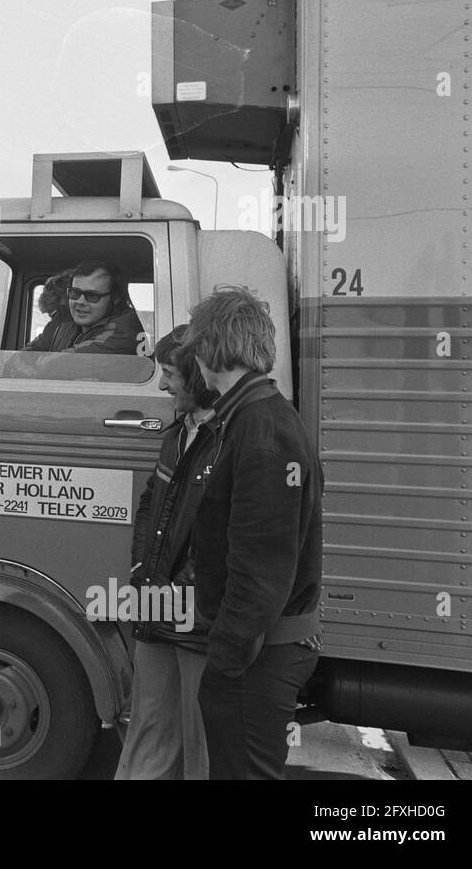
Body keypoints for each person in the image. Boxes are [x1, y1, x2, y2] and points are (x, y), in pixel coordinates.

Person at [183, 286, 323, 780]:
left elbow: (261, 567)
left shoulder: (259, 428)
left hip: (256, 654)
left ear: (208, 349)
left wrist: (226, 660)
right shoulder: (256, 416)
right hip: (261, 647)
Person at [114, 325, 217, 780]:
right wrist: (142, 569)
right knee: (149, 729)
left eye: (170, 374)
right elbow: (149, 506)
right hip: (158, 608)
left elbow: (228, 535)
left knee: (202, 746)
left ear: (198, 376)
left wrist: (180, 589)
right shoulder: (178, 434)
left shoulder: (231, 439)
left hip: (195, 618)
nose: (161, 385)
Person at [26, 258, 144, 354]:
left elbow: (67, 364)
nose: (80, 301)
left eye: (92, 295)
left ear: (115, 298)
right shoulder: (62, 322)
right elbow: (19, 359)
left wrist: (40, 366)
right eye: (75, 293)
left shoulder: (125, 330)